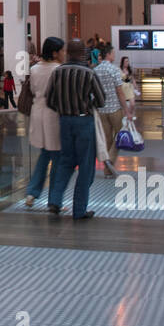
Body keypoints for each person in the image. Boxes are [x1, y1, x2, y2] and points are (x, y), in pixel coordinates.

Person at [45, 40, 100, 220]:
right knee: (86, 166)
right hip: (84, 121)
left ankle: (54, 200)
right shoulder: (89, 73)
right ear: (83, 53)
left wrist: (63, 110)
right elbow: (101, 99)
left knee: (65, 162)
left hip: (64, 121)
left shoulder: (58, 72)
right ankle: (79, 210)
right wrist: (87, 106)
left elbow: (49, 99)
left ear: (68, 52)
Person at [24, 37, 65, 208]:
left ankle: (32, 193)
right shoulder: (59, 70)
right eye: (62, 50)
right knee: (56, 156)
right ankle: (54, 199)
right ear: (55, 52)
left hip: (37, 113)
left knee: (44, 154)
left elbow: (33, 91)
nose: (64, 53)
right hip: (53, 115)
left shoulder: (34, 69)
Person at [94, 45, 132, 177]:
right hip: (115, 108)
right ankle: (109, 160)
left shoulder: (96, 70)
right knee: (120, 136)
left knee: (107, 139)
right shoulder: (114, 69)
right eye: (113, 53)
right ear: (108, 54)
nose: (114, 55)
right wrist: (126, 110)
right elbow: (120, 91)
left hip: (101, 109)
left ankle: (107, 171)